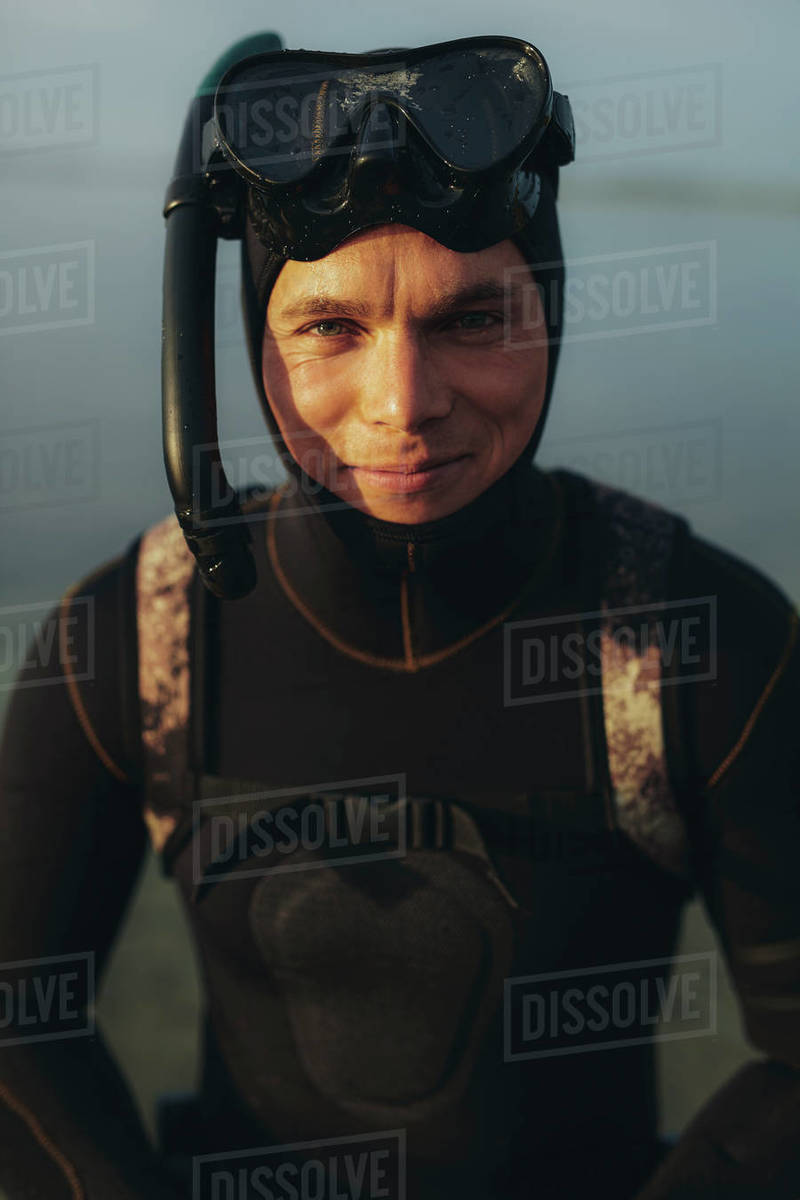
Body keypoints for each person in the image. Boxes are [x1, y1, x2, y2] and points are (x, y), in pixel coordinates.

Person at [0, 32, 799, 1200]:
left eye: (472, 320)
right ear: (238, 349)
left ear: (553, 309)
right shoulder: (135, 639)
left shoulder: (692, 639)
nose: (403, 405)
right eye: (330, 329)